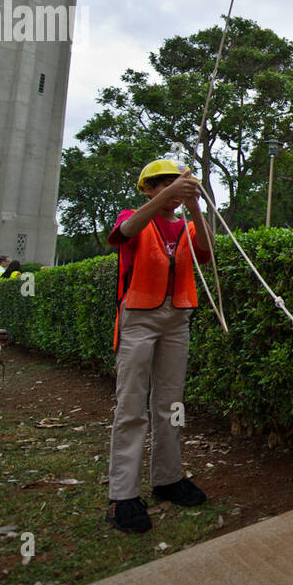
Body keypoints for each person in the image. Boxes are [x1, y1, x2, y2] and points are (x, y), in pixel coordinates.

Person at [106, 158, 213, 533]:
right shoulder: (134, 216)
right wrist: (168, 197)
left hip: (177, 317)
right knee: (131, 404)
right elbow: (124, 232)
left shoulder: (185, 224)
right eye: (162, 183)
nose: (170, 189)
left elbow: (207, 252)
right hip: (139, 315)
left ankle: (168, 479)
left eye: (176, 183)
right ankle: (123, 496)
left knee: (171, 403)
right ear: (148, 189)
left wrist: (196, 205)